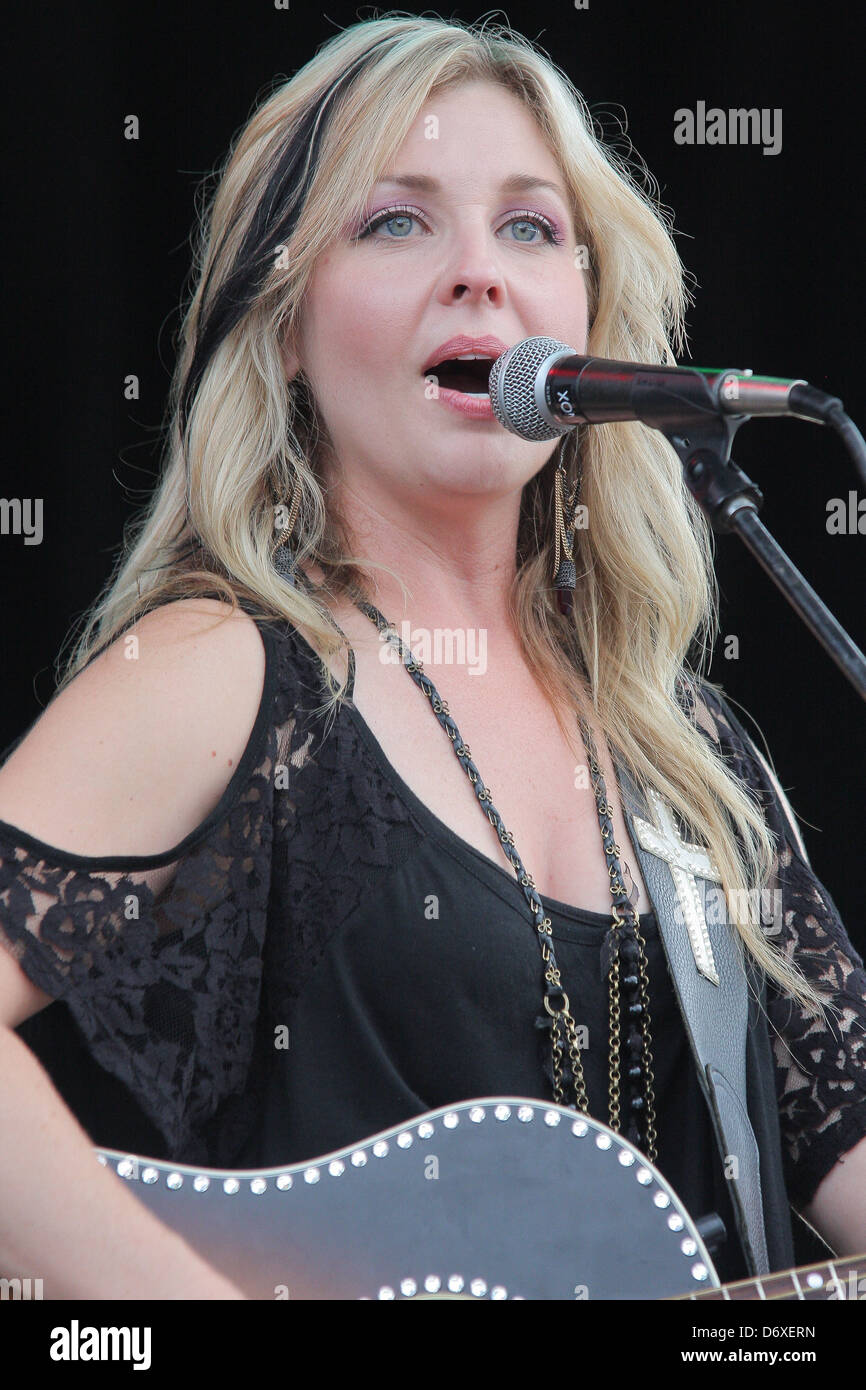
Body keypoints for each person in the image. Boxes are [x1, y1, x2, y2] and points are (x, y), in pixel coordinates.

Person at [1, 13, 864, 1301]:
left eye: (530, 227)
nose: (479, 273)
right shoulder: (222, 674)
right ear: (285, 329)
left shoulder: (690, 757)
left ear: (590, 309)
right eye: (396, 221)